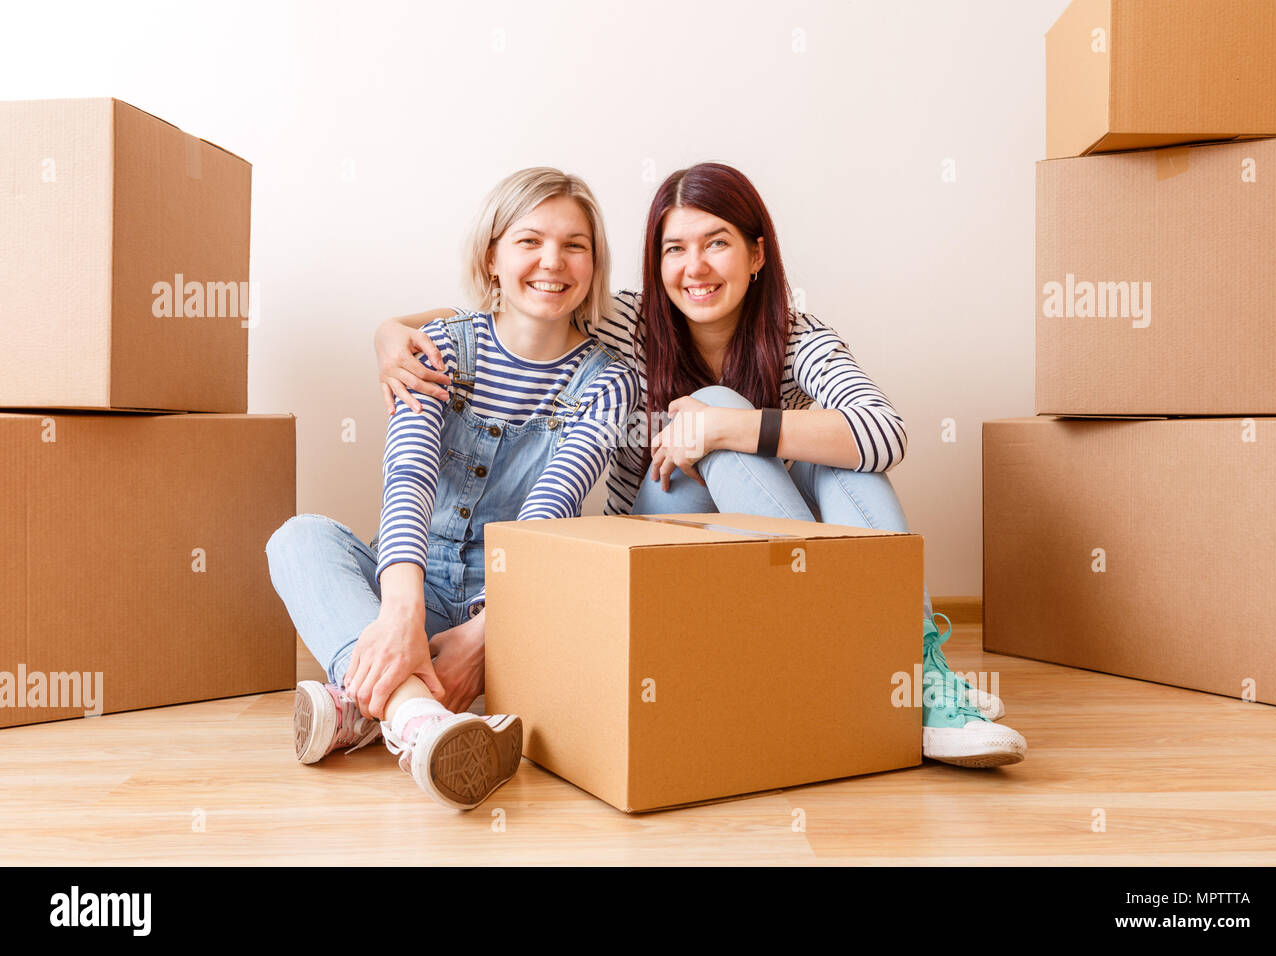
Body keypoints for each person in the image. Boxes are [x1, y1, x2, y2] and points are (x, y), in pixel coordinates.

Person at [374, 162, 1026, 769]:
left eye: (716, 243)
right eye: (674, 249)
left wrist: (726, 424)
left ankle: (916, 671)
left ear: (757, 254)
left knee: (844, 461)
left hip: (773, 551)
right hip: (669, 550)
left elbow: (885, 432)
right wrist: (390, 331)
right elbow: (509, 309)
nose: (696, 267)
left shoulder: (798, 336)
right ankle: (878, 668)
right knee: (725, 411)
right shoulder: (623, 324)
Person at [265, 167, 639, 809]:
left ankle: (358, 709)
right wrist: (402, 612)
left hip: (517, 602)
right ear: (493, 254)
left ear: (594, 264)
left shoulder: (609, 383)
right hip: (414, 581)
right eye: (530, 241)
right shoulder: (438, 346)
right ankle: (422, 723)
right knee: (299, 539)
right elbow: (407, 478)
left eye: (575, 245)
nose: (553, 262)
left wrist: (484, 636)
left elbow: (548, 517)